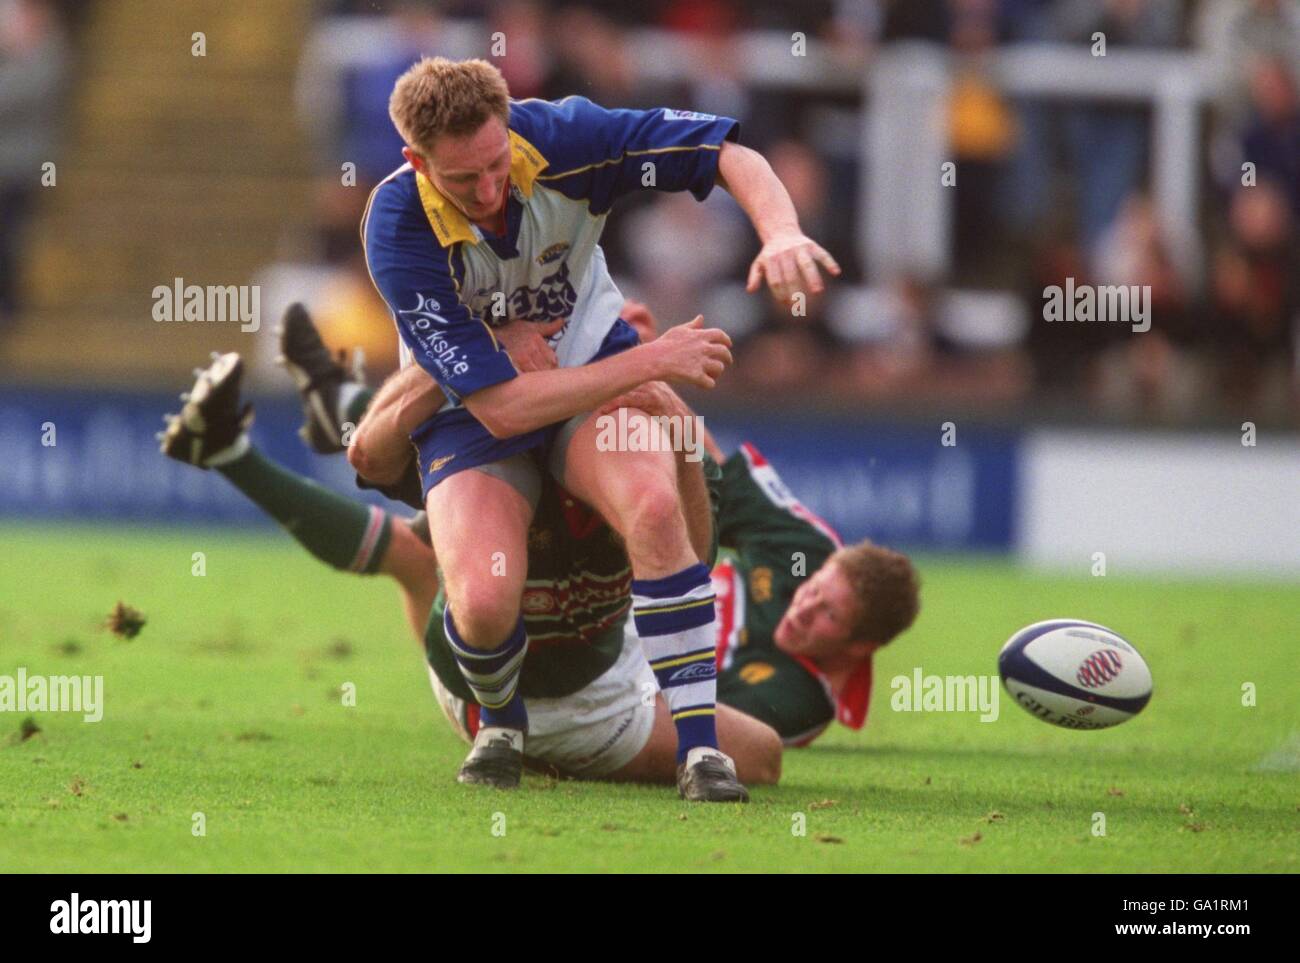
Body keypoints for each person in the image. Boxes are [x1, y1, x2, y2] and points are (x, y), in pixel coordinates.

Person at [359, 57, 840, 798]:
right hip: (479, 405)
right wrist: (651, 362)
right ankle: (501, 722)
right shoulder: (397, 224)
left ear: (509, 128)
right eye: (463, 180)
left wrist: (779, 232)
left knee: (652, 508)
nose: (489, 193)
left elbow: (725, 151)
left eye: (496, 165)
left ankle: (701, 751)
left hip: (590, 370)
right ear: (415, 162)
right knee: (483, 600)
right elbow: (502, 409)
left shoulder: (567, 137)